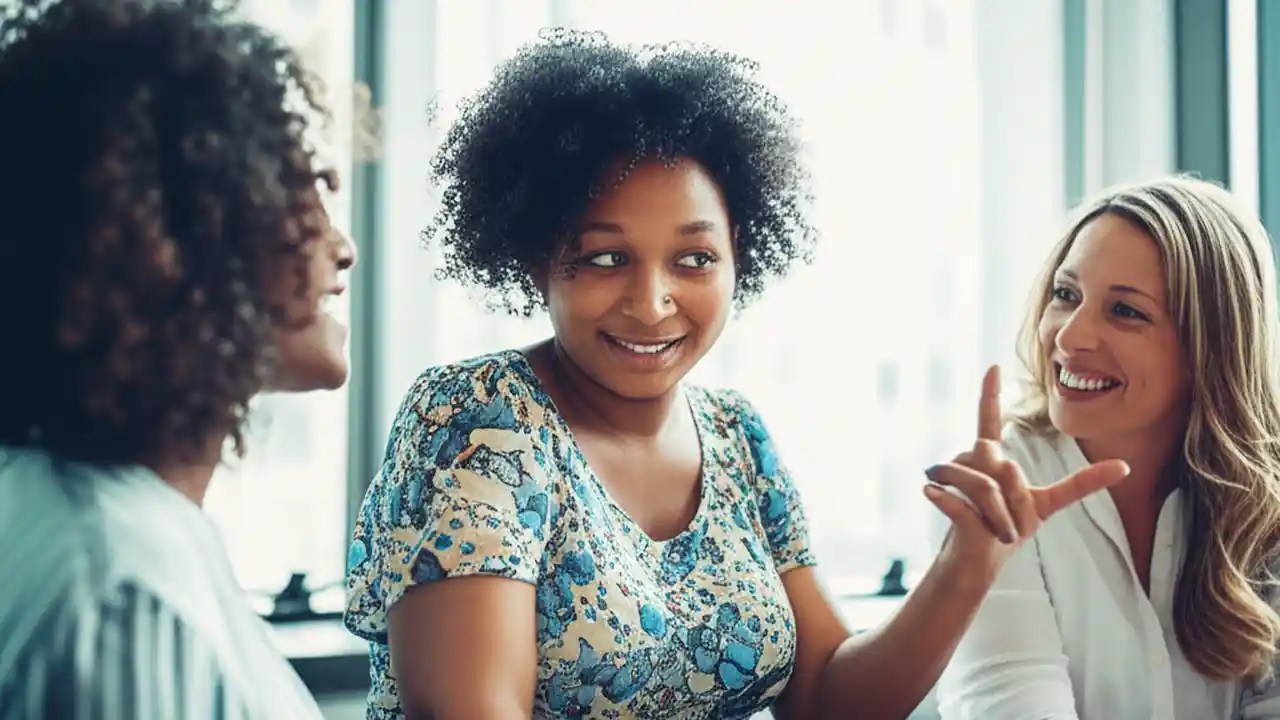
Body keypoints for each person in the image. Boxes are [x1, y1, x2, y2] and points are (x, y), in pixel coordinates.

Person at [343, 31, 1126, 720]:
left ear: (737, 256)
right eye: (605, 257)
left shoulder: (735, 435)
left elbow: (825, 699)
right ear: (536, 258)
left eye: (693, 259)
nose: (652, 304)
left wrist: (970, 561)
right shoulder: (479, 420)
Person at [0, 0, 356, 717]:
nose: (341, 247)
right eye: (301, 192)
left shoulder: (92, 513)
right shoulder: (123, 590)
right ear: (171, 243)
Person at [936, 176, 1280, 720]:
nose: (1070, 337)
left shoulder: (1266, 496)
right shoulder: (994, 488)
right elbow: (1013, 703)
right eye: (1066, 294)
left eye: (1125, 312)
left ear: (1207, 347)